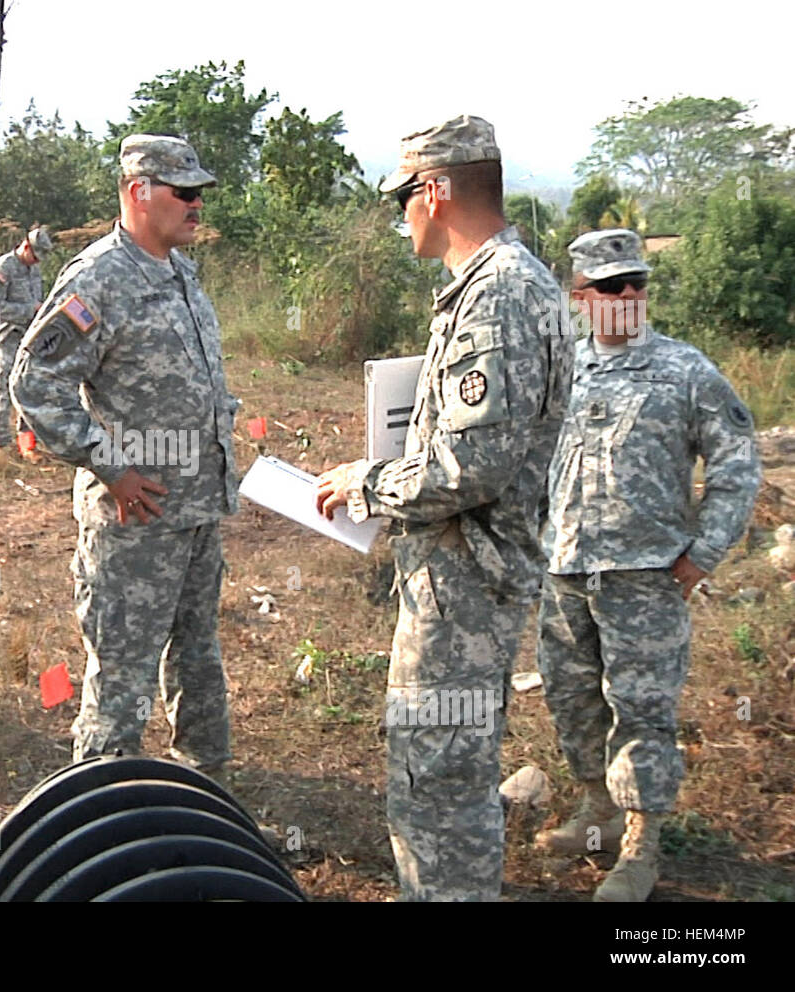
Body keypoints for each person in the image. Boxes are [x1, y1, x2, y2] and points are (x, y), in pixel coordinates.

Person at [316, 115, 573, 901]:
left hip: (463, 588)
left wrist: (367, 484)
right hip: (471, 580)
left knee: (436, 794)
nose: (402, 218)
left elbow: (471, 468)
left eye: (404, 200)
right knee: (454, 775)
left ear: (435, 192)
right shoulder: (514, 282)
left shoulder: (497, 296)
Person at [535, 229, 761, 901]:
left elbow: (737, 462)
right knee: (571, 700)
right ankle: (596, 809)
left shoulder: (685, 370)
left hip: (646, 575)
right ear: (581, 298)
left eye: (637, 283)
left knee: (641, 709)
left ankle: (640, 846)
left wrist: (706, 551)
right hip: (565, 569)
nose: (628, 295)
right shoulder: (561, 369)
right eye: (610, 286)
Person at [11, 135, 240, 772]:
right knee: (122, 680)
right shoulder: (98, 280)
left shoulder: (179, 270)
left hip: (195, 511)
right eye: (184, 193)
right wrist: (109, 465)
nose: (197, 206)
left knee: (198, 660)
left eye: (200, 193)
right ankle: (105, 815)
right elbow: (35, 383)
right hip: (135, 522)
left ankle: (205, 802)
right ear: (139, 193)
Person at [0, 226, 52, 460]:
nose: (36, 262)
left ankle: (27, 444)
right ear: (25, 246)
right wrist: (29, 310)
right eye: (34, 255)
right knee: (4, 389)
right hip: (7, 339)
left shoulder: (33, 269)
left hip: (30, 339)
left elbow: (37, 301)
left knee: (28, 388)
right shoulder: (2, 269)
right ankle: (0, 444)